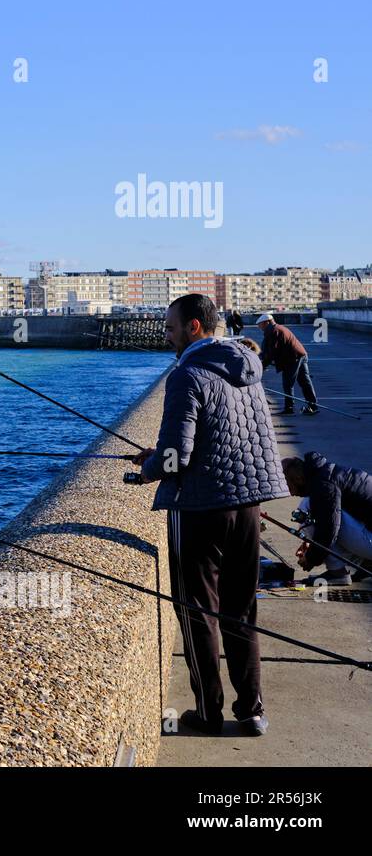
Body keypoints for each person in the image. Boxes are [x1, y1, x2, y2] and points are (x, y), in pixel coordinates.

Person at [132, 293, 288, 737]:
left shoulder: (187, 375)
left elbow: (175, 458)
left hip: (199, 508)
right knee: (241, 609)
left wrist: (146, 472)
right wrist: (159, 456)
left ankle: (207, 712)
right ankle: (252, 710)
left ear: (194, 327)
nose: (166, 336)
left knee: (197, 610)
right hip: (248, 506)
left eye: (170, 327)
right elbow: (227, 439)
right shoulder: (247, 368)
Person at [281, 452, 372, 586]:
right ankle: (367, 563)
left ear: (299, 479)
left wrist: (311, 558)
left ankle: (337, 573)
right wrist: (311, 541)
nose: (290, 493)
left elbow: (328, 530)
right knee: (320, 510)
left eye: (287, 486)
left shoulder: (324, 485)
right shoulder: (327, 474)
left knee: (307, 508)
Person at [257, 313, 319, 415]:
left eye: (260, 325)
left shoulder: (273, 331)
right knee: (305, 382)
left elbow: (272, 352)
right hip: (301, 354)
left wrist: (262, 366)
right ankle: (313, 405)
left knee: (288, 384)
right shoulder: (277, 328)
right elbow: (268, 351)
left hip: (293, 358)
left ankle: (289, 408)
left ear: (266, 322)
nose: (259, 328)